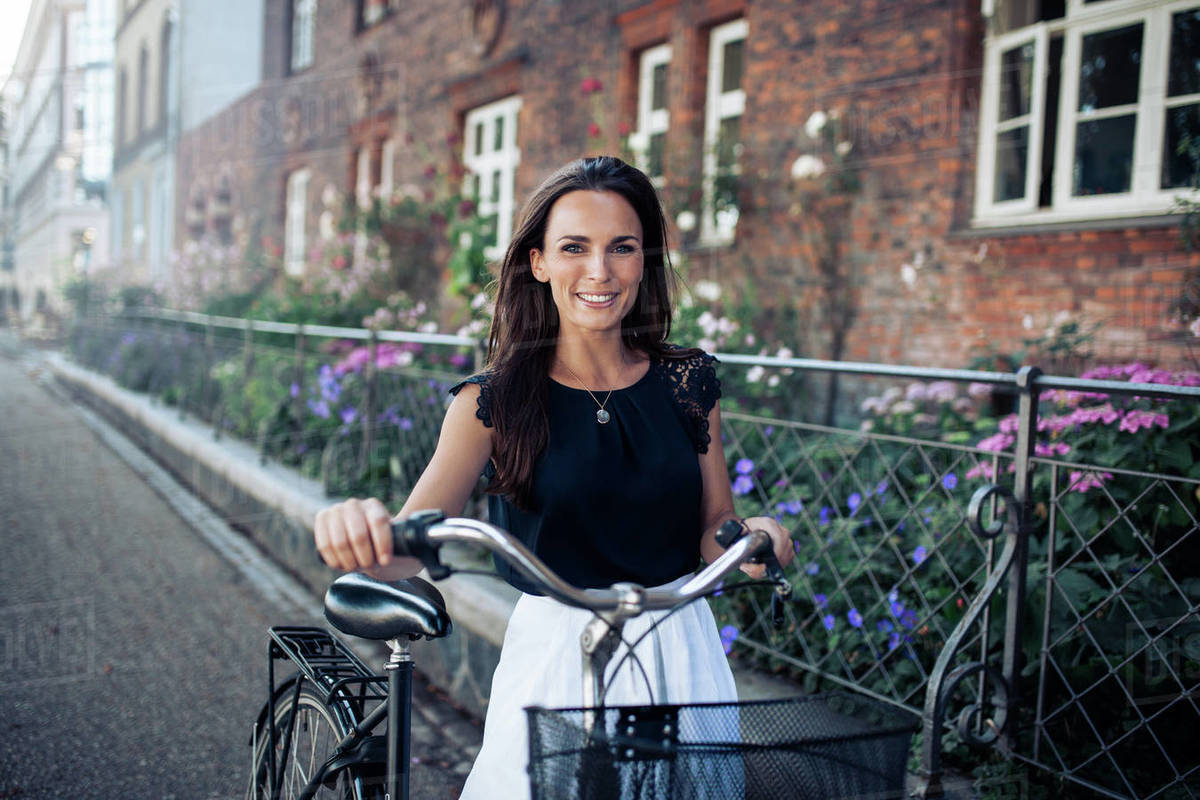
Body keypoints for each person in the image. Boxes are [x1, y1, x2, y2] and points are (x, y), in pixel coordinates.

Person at [313, 155, 793, 798]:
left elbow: (713, 529)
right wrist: (362, 528)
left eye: (621, 248)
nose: (599, 271)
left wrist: (751, 539)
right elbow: (408, 545)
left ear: (644, 260)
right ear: (538, 262)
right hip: (557, 657)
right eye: (574, 247)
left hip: (678, 647)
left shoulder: (688, 382)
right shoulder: (493, 401)